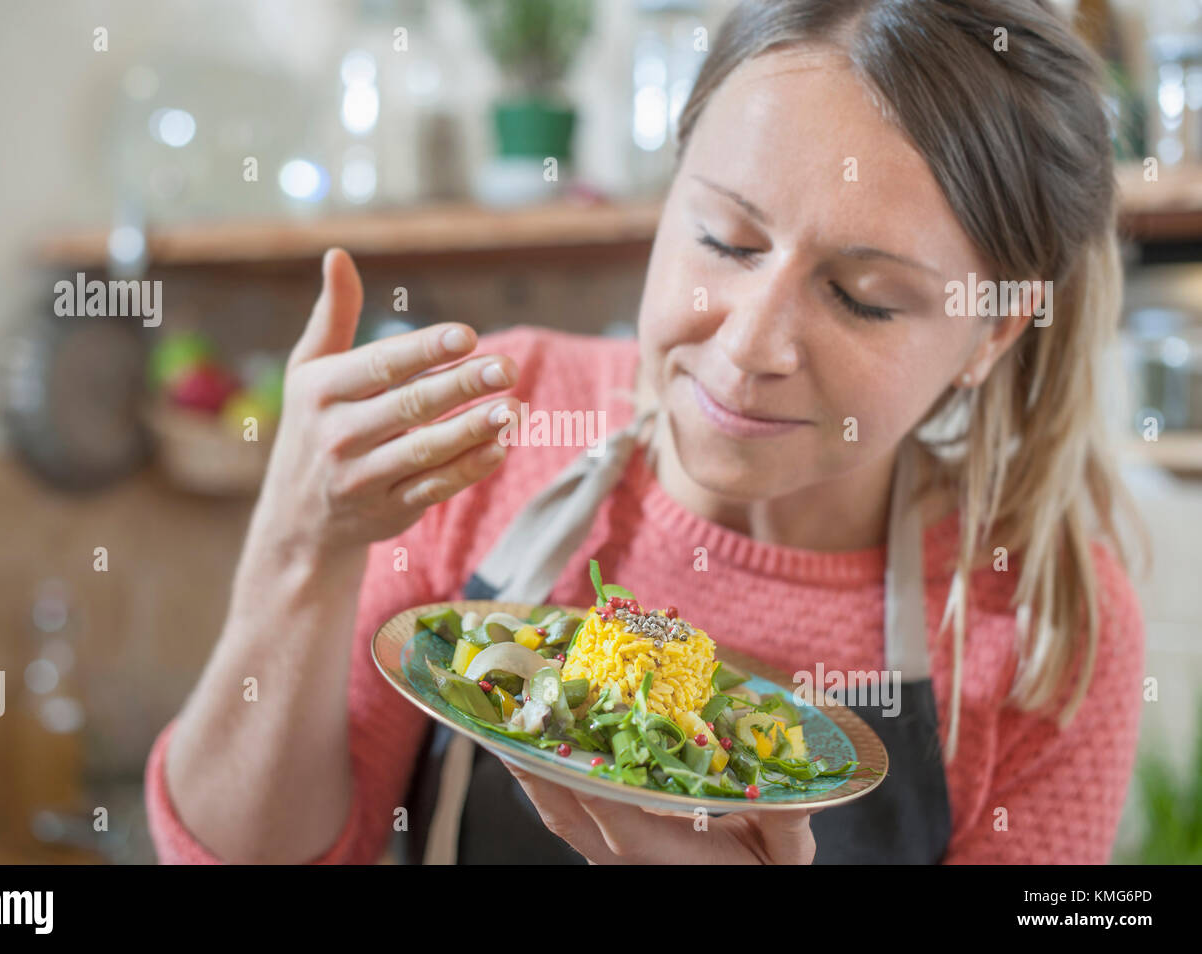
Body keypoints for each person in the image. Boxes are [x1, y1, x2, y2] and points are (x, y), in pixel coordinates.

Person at [145, 0, 1148, 864]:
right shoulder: (491, 421)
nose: (749, 345)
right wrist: (296, 548)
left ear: (992, 330)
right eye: (725, 239)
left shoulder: (1042, 620)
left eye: (861, 296)